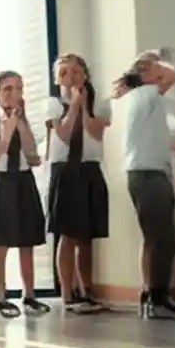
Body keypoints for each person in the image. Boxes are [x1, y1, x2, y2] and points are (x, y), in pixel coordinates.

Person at [114, 50, 175, 319]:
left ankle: (152, 296)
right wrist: (165, 69)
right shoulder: (145, 95)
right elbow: (174, 77)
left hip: (149, 174)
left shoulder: (144, 101)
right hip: (148, 176)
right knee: (163, 240)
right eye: (155, 68)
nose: (161, 71)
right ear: (145, 74)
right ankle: (159, 301)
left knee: (155, 239)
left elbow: (156, 140)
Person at [0, 71, 50, 317]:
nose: (14, 94)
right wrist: (8, 129)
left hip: (23, 179)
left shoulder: (24, 121)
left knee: (26, 241)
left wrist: (21, 123)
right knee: (0, 243)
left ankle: (29, 294)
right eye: (8, 89)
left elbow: (33, 157)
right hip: (0, 181)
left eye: (18, 88)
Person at [45, 54, 110, 313]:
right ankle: (67, 293)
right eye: (64, 72)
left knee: (87, 236)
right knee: (68, 233)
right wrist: (72, 105)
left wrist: (83, 105)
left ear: (85, 74)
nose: (71, 76)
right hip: (65, 170)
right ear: (57, 78)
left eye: (76, 71)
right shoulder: (52, 103)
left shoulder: (100, 103)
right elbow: (61, 133)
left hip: (90, 168)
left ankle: (87, 290)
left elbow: (96, 131)